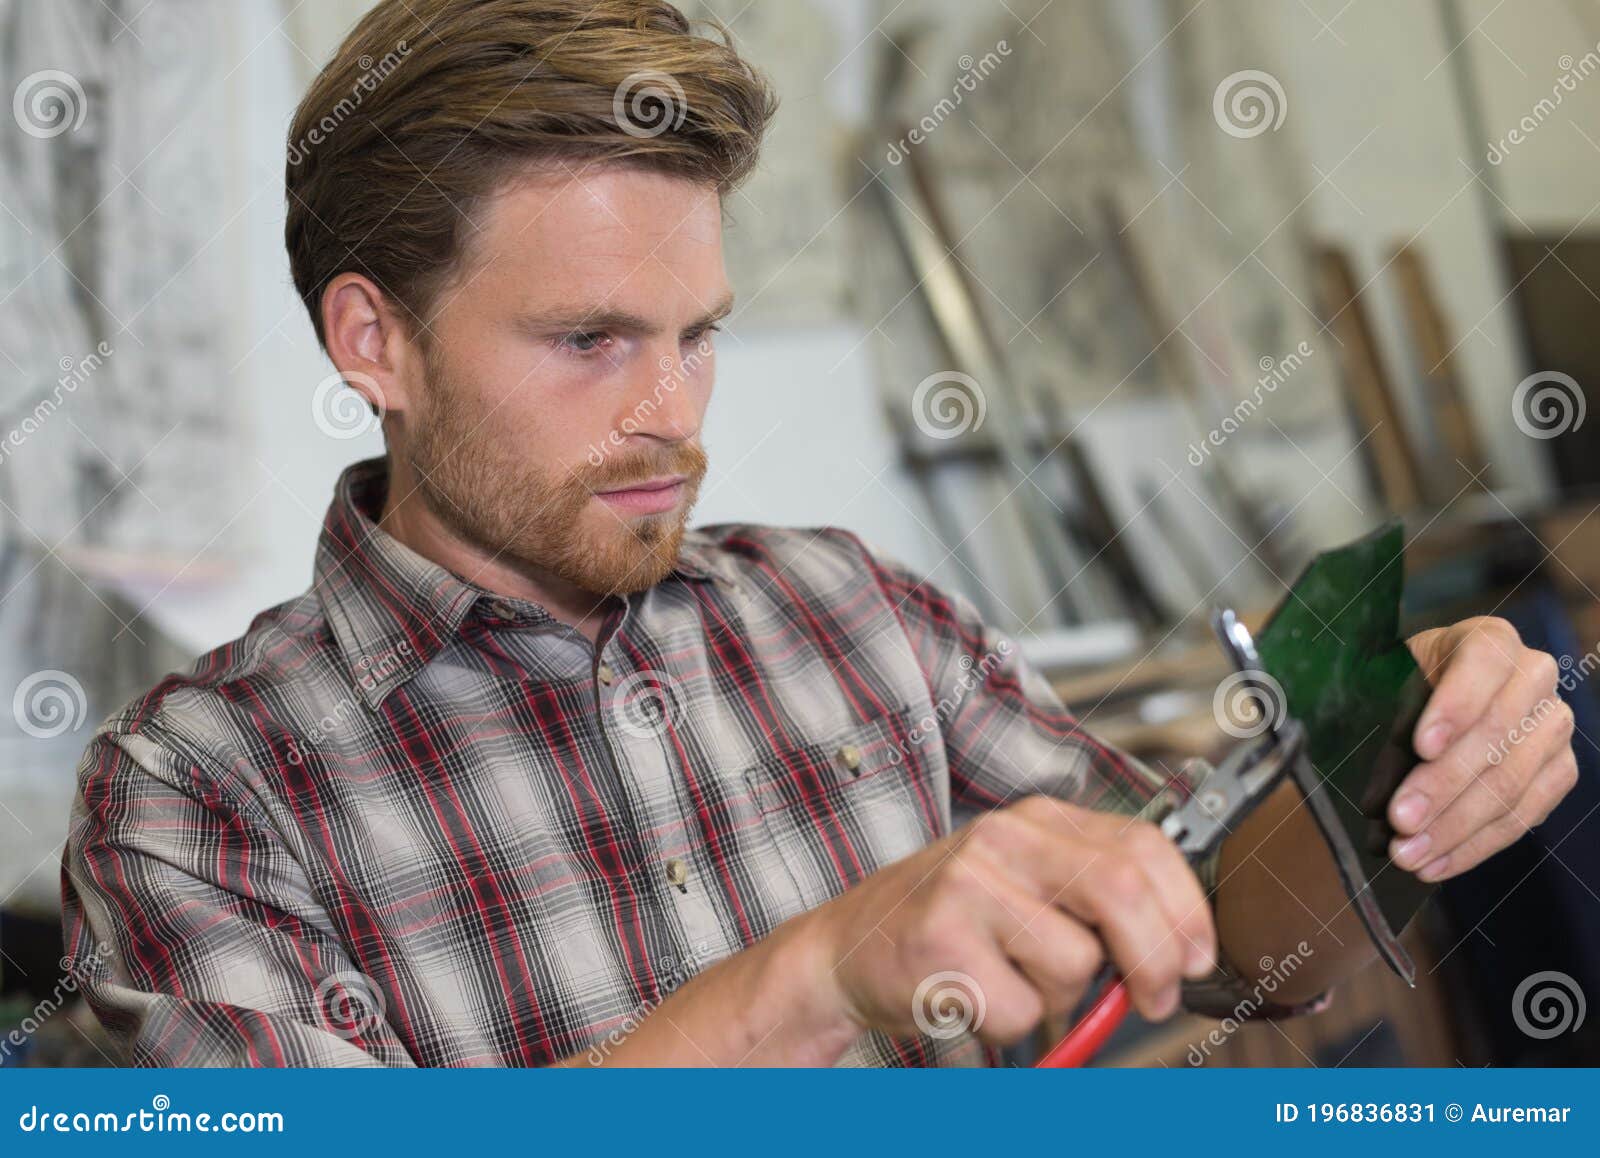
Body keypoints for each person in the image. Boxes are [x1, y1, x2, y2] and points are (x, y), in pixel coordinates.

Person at [60, 0, 1578, 1067]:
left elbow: (1236, 951)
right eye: (589, 337)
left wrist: (1393, 752)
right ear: (374, 342)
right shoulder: (196, 795)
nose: (671, 411)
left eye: (698, 332)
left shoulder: (853, 612)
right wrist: (816, 971)